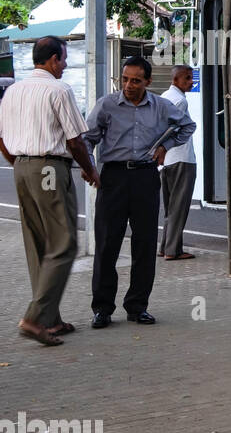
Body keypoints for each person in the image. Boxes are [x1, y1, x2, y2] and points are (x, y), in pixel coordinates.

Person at [0, 36, 99, 346]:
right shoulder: (59, 89)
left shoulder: (13, 91)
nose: (66, 65)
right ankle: (34, 318)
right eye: (64, 59)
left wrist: (19, 163)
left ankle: (50, 320)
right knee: (64, 242)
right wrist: (90, 169)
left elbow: (2, 137)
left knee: (38, 245)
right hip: (48, 168)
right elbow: (74, 140)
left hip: (21, 168)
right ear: (54, 59)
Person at [83, 56, 195, 328]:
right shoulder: (107, 105)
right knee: (107, 244)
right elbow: (87, 138)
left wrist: (165, 146)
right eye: (125, 79)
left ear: (147, 81)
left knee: (144, 245)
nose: (129, 85)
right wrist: (89, 168)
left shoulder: (160, 106)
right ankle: (102, 309)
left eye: (135, 80)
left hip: (145, 177)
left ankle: (137, 306)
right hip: (114, 178)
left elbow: (188, 126)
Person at [158, 65, 197, 260]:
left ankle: (165, 247)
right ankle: (173, 251)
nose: (191, 82)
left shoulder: (165, 96)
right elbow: (174, 129)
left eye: (191, 78)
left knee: (171, 207)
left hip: (167, 162)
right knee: (179, 208)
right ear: (176, 81)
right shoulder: (180, 101)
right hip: (182, 159)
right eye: (187, 79)